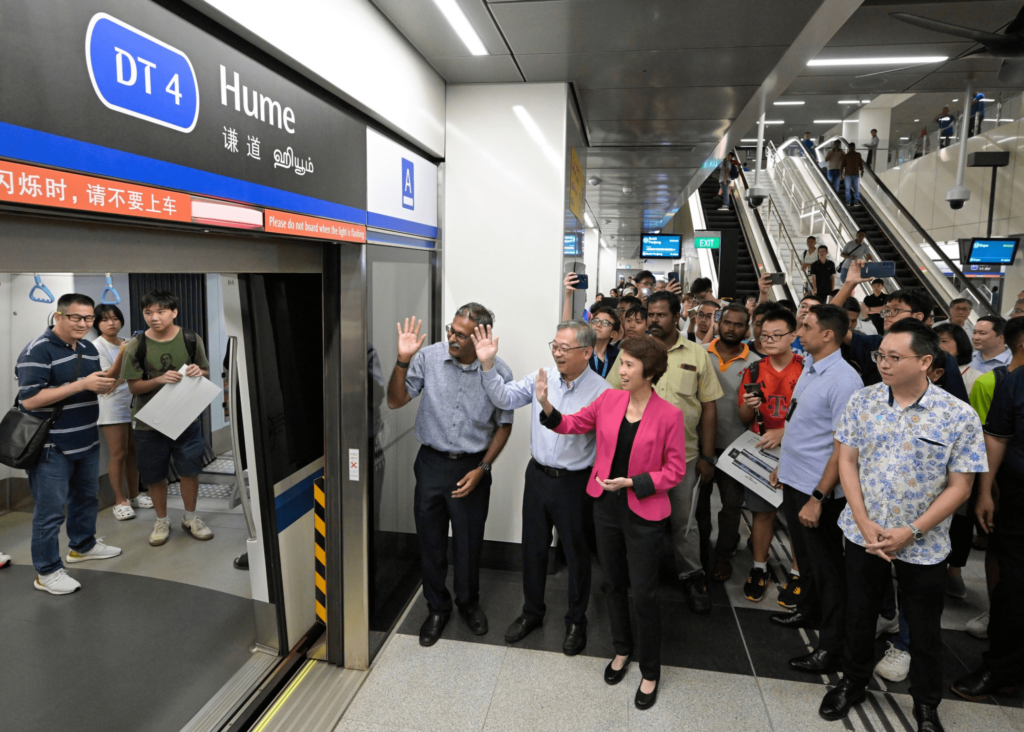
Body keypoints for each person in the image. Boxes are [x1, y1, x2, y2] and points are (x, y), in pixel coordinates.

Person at [818, 319, 986, 730]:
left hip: (922, 542)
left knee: (924, 627)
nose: (883, 364)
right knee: (859, 615)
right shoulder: (863, 401)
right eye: (880, 356)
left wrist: (911, 530)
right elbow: (848, 461)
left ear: (926, 361)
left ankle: (927, 702)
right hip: (863, 533)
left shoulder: (957, 416)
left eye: (894, 357)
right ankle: (853, 682)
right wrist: (862, 520)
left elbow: (961, 486)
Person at [538, 336, 686, 710]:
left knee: (645, 592)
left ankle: (650, 670)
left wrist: (635, 482)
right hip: (605, 507)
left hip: (644, 512)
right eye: (621, 364)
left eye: (629, 366)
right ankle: (622, 650)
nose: (621, 371)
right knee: (613, 584)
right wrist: (546, 407)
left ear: (649, 372)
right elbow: (573, 424)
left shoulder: (669, 415)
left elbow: (675, 470)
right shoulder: (609, 399)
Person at [472, 320, 608, 656]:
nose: (557, 353)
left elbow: (594, 439)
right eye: (555, 346)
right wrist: (488, 364)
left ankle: (576, 621)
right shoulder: (541, 377)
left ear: (587, 352)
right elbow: (502, 396)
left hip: (574, 483)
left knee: (577, 555)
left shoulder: (602, 392)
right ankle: (531, 612)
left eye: (565, 348)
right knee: (533, 549)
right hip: (537, 478)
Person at [387, 304, 513, 646]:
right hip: (430, 463)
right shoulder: (428, 358)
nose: (451, 338)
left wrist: (483, 468)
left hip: (471, 467)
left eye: (460, 334)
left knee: (469, 544)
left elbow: (504, 426)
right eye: (451, 330)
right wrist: (402, 360)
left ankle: (468, 603)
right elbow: (395, 401)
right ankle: (437, 608)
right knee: (431, 543)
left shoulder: (498, 371)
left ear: (480, 336)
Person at [606, 292, 723, 615]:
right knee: (636, 520)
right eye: (651, 315)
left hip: (683, 457)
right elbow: (611, 397)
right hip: (637, 460)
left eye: (661, 315)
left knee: (685, 524)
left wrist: (707, 456)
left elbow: (709, 407)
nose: (654, 321)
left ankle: (691, 576)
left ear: (676, 317)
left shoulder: (697, 355)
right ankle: (636, 575)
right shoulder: (632, 353)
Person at [769, 305, 863, 677]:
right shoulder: (810, 366)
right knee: (805, 558)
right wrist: (784, 465)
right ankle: (807, 609)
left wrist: (819, 497)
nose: (799, 331)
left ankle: (831, 647)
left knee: (828, 569)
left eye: (805, 326)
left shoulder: (844, 380)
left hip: (817, 491)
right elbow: (801, 424)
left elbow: (843, 446)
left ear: (828, 335)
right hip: (796, 477)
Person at [17, 293, 120, 595]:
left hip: (86, 438)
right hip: (51, 446)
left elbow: (91, 384)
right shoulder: (36, 351)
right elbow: (30, 400)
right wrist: (82, 384)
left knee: (86, 498)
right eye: (76, 317)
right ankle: (47, 571)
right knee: (50, 512)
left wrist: (107, 381)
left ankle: (83, 546)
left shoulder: (87, 347)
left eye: (89, 318)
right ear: (58, 316)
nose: (84, 324)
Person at [953, 355, 1024, 702]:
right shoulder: (1016, 380)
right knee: (1013, 588)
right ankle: (1001, 669)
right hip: (1018, 501)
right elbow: (996, 436)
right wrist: (985, 490)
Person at [122, 291, 213, 547]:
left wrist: (198, 371)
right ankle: (161, 520)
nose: (154, 317)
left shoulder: (190, 339)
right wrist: (159, 379)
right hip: (149, 424)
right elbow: (133, 387)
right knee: (154, 474)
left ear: (174, 312)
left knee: (189, 470)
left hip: (186, 419)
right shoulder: (136, 345)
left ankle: (191, 518)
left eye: (160, 311)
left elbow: (205, 371)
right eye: (148, 312)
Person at [737, 308, 802, 601]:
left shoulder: (805, 370)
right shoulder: (753, 369)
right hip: (762, 452)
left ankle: (797, 573)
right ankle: (759, 567)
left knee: (798, 515)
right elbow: (741, 416)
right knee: (762, 512)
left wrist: (784, 433)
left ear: (793, 336)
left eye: (778, 335)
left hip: (799, 453)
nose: (770, 340)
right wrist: (749, 406)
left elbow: (817, 419)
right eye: (764, 336)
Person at [835, 271, 970, 401]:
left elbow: (957, 404)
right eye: (886, 310)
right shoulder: (875, 344)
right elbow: (830, 323)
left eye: (896, 310)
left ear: (918, 316)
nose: (888, 314)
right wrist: (849, 284)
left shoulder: (941, 357)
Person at [704, 304, 761, 583]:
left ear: (747, 328)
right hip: (701, 443)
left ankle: (724, 556)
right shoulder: (700, 354)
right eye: (727, 322)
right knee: (699, 503)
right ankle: (701, 550)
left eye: (739, 324)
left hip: (737, 446)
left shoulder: (757, 363)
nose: (731, 328)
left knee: (731, 505)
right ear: (718, 322)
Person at [91, 304, 140, 520]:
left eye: (115, 318)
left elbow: (139, 371)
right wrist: (125, 365)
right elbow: (106, 382)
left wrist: (126, 375)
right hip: (111, 405)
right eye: (104, 319)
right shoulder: (96, 346)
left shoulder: (128, 342)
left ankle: (135, 495)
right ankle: (119, 500)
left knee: (133, 451)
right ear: (97, 324)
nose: (111, 323)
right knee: (118, 453)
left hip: (133, 401)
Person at [935, 322, 983, 397]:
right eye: (934, 341)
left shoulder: (976, 377)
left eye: (944, 341)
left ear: (960, 345)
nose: (936, 346)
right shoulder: (925, 372)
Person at [587, 305, 621, 378]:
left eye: (605, 322)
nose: (598, 325)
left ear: (613, 334)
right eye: (596, 321)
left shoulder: (617, 356)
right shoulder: (581, 350)